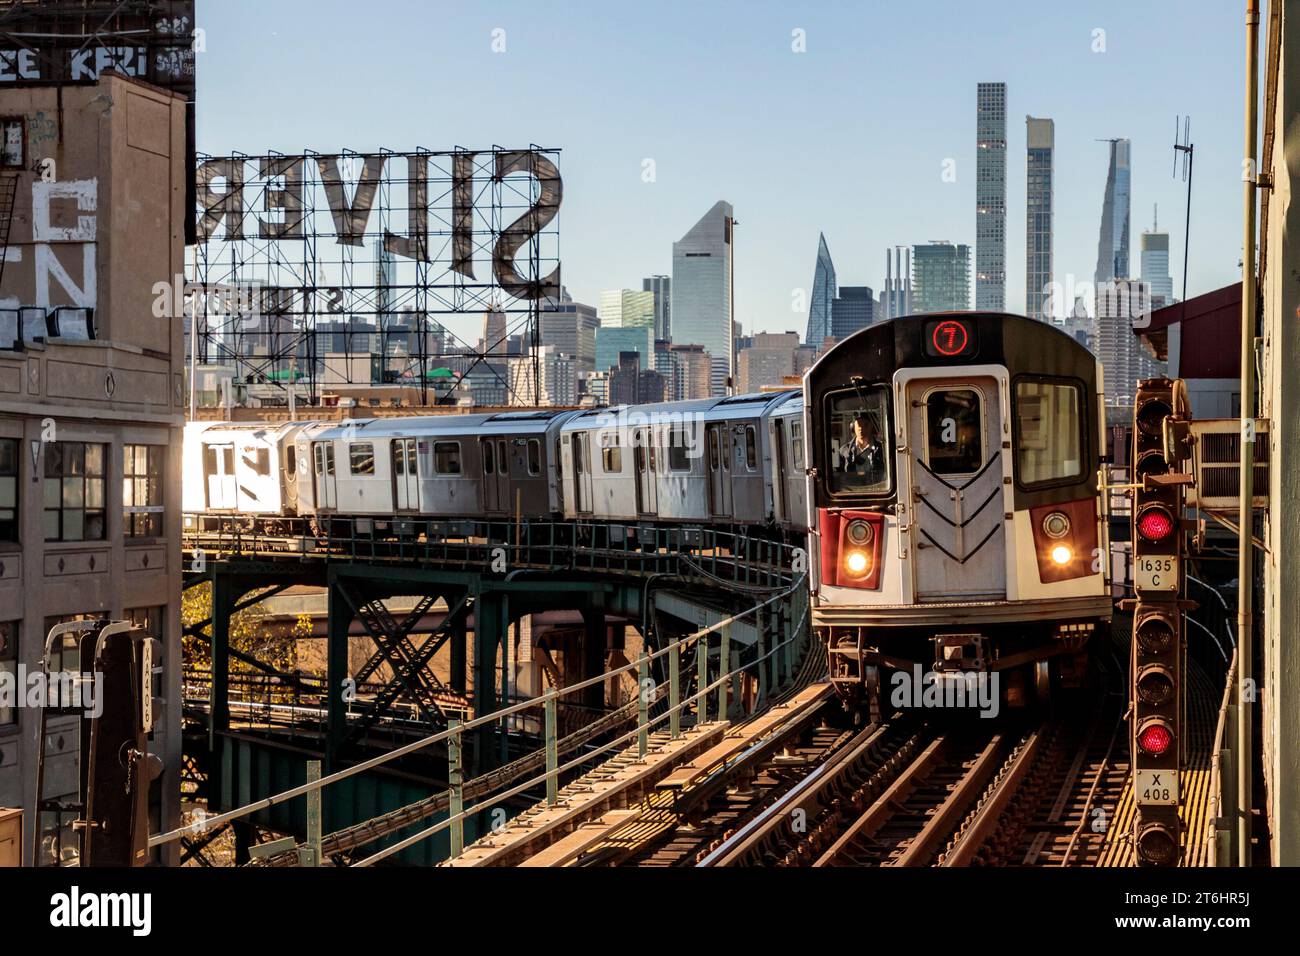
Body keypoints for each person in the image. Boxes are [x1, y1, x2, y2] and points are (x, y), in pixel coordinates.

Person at [839, 414, 885, 486]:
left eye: (865, 424)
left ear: (872, 426)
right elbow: (838, 475)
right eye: (858, 425)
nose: (861, 428)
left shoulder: (882, 449)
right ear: (853, 427)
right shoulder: (844, 450)